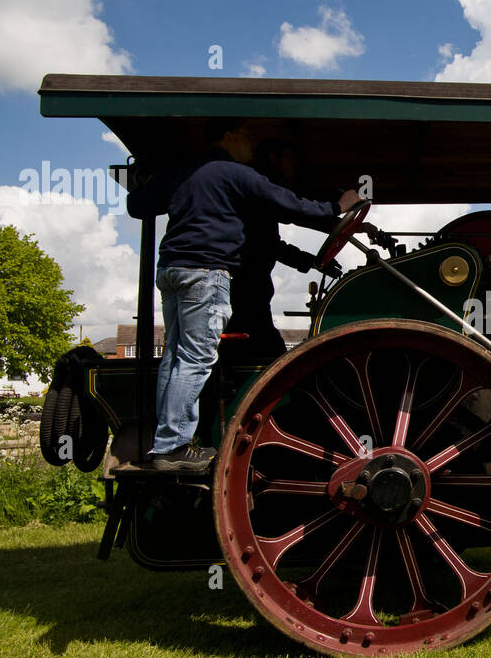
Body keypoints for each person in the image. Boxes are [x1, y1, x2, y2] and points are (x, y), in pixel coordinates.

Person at [127, 120, 363, 472]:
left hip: (172, 269)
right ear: (229, 134)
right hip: (207, 273)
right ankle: (172, 447)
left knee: (176, 356)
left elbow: (137, 205)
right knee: (196, 358)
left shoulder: (184, 170)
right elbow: (289, 204)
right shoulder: (234, 172)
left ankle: (165, 444)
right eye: (248, 137)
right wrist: (337, 206)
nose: (252, 145)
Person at [222, 139, 341, 361]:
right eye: (290, 159)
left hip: (251, 279)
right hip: (248, 278)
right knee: (264, 342)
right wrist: (335, 216)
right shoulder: (261, 187)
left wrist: (315, 260)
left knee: (256, 337)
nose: (293, 165)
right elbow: (291, 213)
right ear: (274, 159)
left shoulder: (257, 191)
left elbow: (271, 242)